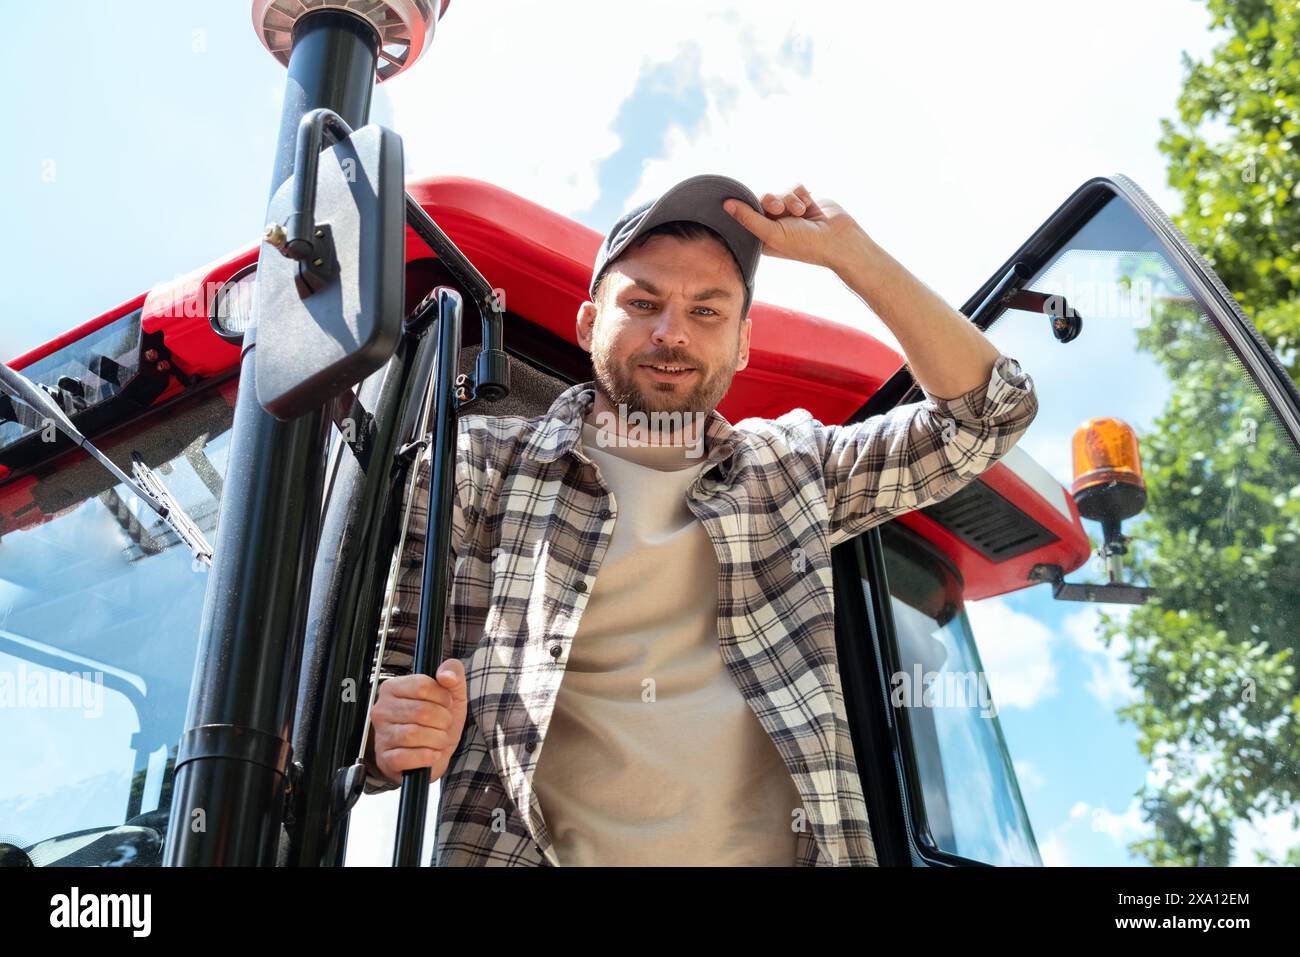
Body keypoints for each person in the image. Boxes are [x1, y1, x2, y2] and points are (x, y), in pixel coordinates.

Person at [362, 174, 1038, 866]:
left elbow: (988, 415)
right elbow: (379, 704)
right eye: (644, 302)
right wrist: (396, 737)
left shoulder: (793, 469)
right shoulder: (479, 467)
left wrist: (852, 256)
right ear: (590, 322)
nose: (672, 332)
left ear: (742, 344)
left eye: (707, 311)